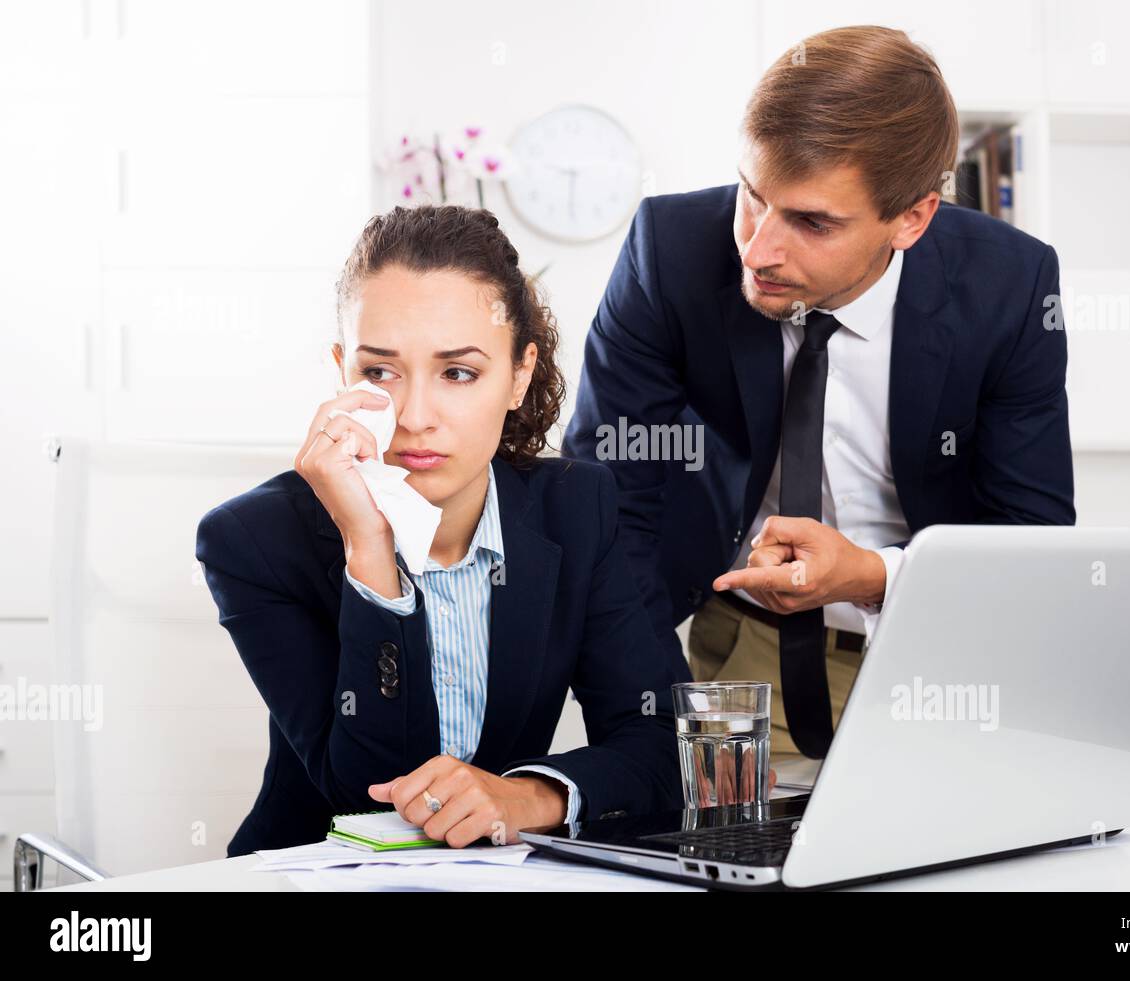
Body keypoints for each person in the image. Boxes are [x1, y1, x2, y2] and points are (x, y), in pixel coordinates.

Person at [564, 25, 1075, 760]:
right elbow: (611, 512)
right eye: (751, 195)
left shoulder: (1009, 285)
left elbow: (1031, 537)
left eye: (811, 222)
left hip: (942, 661)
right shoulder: (668, 251)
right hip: (740, 664)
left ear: (912, 218)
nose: (759, 248)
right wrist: (652, 738)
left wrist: (872, 576)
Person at [196, 205, 690, 854]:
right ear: (342, 370)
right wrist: (369, 551)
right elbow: (367, 789)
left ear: (518, 374)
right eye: (379, 372)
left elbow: (661, 750)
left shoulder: (577, 508)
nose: (416, 416)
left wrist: (527, 797)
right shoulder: (254, 540)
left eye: (459, 372)